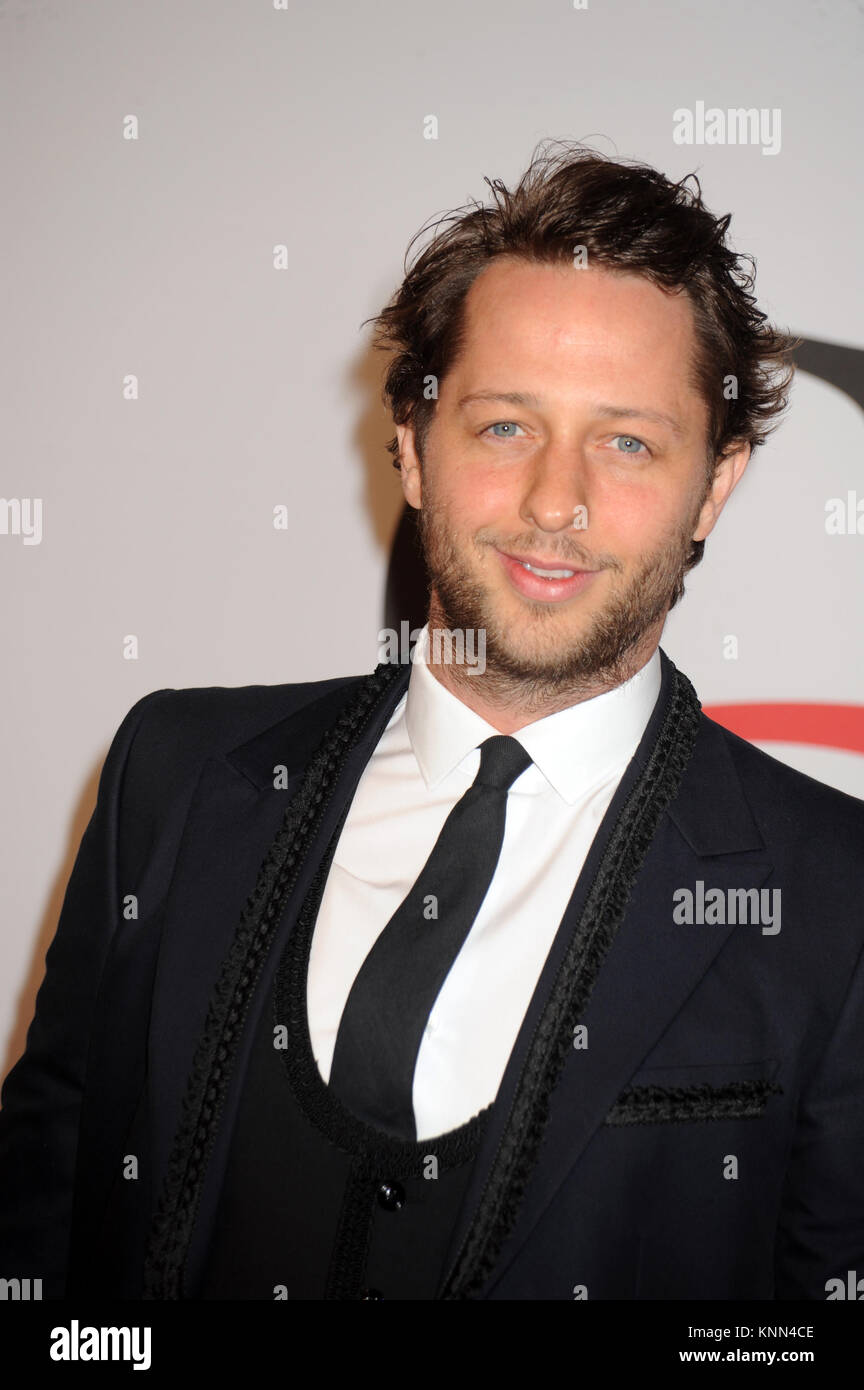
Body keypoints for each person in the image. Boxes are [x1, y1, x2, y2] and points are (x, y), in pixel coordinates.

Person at [2, 140, 863, 1302]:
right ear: (412, 447)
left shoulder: (834, 897)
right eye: (505, 426)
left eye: (628, 442)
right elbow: (41, 1227)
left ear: (715, 484)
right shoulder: (178, 776)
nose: (556, 501)